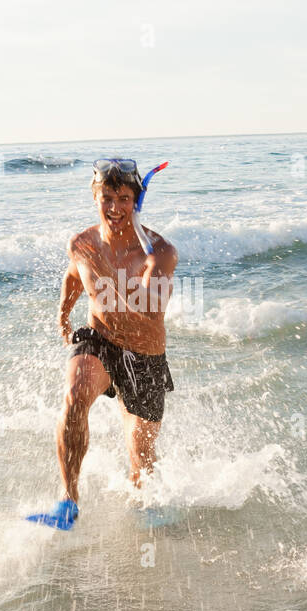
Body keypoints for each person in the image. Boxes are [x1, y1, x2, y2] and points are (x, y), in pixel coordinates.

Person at [26, 158, 178, 529]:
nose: (114, 207)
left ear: (136, 201)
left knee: (141, 453)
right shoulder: (81, 243)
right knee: (75, 394)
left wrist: (124, 269)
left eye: (124, 198)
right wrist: (63, 314)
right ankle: (67, 501)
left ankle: (147, 511)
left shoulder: (159, 252)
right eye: (106, 197)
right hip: (100, 340)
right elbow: (74, 276)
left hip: (144, 354)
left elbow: (148, 308)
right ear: (95, 197)